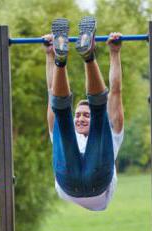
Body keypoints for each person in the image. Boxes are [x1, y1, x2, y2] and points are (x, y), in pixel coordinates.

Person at [43, 16, 124, 211]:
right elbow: (51, 90)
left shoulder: (112, 134)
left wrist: (115, 53)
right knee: (62, 115)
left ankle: (81, 57)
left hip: (91, 181)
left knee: (93, 113)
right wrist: (51, 56)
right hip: (72, 179)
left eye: (85, 116)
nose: (80, 118)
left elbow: (115, 92)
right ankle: (76, 58)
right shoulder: (64, 135)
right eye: (78, 115)